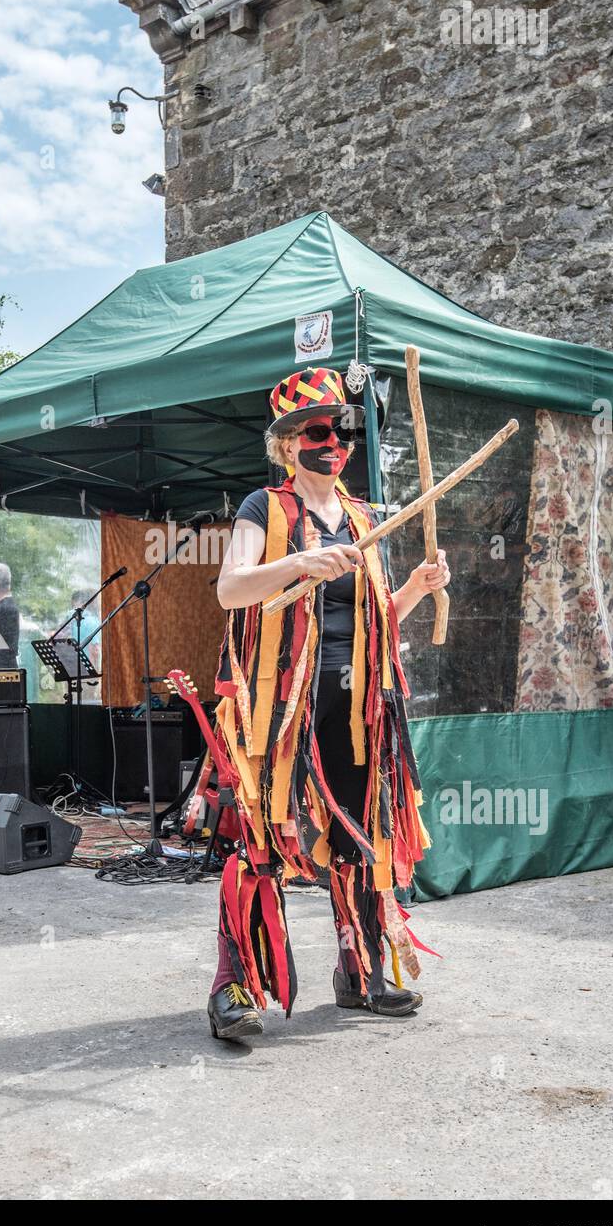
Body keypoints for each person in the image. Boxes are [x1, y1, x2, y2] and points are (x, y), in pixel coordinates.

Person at [207, 365, 451, 1043]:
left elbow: (379, 622)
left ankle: (362, 970)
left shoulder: (366, 518)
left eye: (340, 428)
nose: (333, 439)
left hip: (356, 709)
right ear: (288, 444)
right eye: (318, 430)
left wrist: (418, 588)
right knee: (260, 845)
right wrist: (299, 565)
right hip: (277, 712)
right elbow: (231, 591)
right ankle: (236, 989)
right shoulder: (265, 508)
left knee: (359, 836)